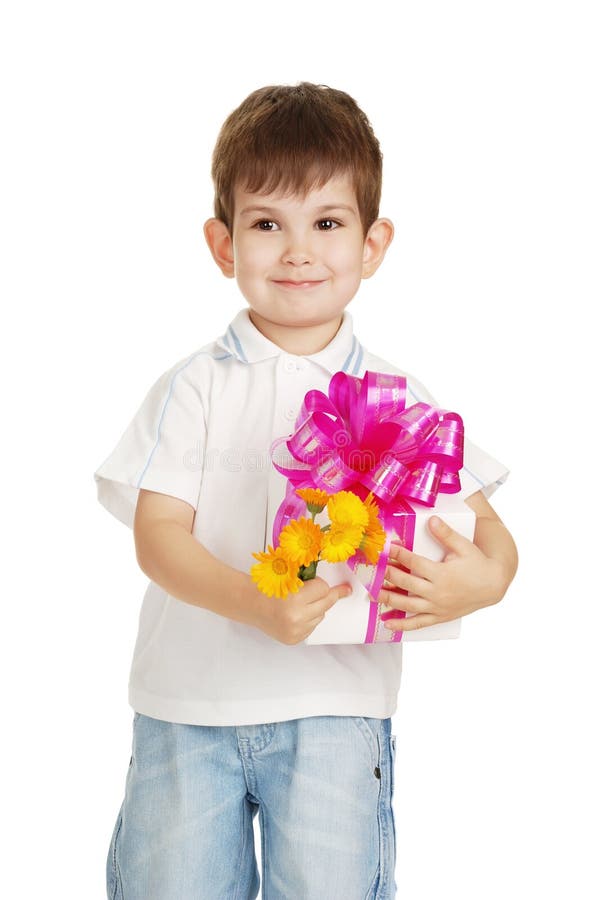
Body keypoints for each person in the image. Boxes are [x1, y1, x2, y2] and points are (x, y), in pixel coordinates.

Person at [95, 82, 518, 900]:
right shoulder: (195, 386)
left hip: (339, 703)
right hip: (190, 706)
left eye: (326, 223)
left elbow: (489, 528)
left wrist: (486, 580)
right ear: (223, 245)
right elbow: (158, 536)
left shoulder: (399, 393)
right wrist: (257, 605)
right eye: (266, 225)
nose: (297, 251)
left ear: (372, 242)